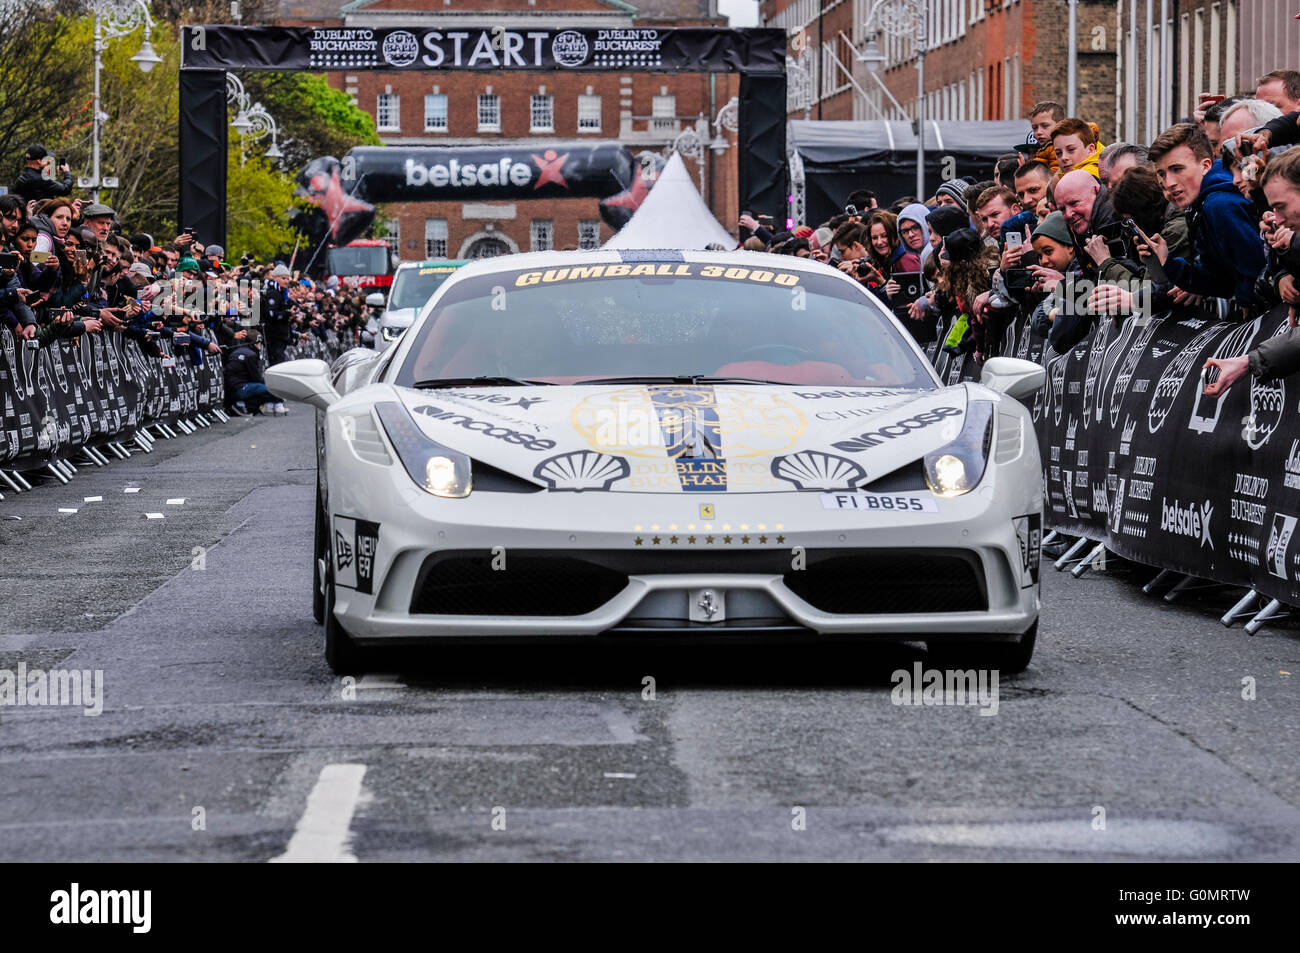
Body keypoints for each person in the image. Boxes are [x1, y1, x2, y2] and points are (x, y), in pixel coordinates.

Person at [1204, 149, 1300, 395]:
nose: (1236, 179)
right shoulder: (1269, 201)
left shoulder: (1220, 204)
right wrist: (1281, 274)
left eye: (1240, 167)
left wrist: (1248, 362)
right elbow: (1256, 191)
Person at [1143, 122, 1266, 307]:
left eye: (1177, 169)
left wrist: (1247, 305)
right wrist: (1166, 260)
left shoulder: (1220, 206)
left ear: (1205, 166)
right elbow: (1217, 280)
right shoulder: (1202, 204)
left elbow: (1256, 272)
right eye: (1162, 173)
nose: (1168, 183)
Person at [224, 328, 282, 415]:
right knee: (273, 390)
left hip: (231, 390)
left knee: (259, 388)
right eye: (259, 343)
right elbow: (256, 378)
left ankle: (246, 406)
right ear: (255, 343)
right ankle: (244, 405)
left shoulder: (237, 351)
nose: (260, 346)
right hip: (240, 388)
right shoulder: (251, 355)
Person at [1026, 101, 1066, 173]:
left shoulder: (1063, 150)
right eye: (1034, 128)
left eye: (1045, 126)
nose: (1038, 132)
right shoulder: (1043, 150)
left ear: (1060, 125)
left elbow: (1050, 180)